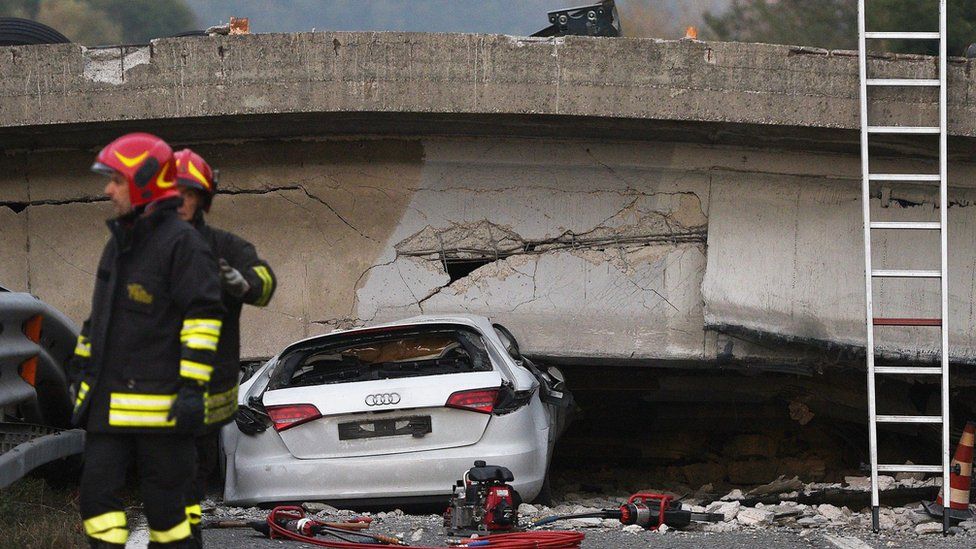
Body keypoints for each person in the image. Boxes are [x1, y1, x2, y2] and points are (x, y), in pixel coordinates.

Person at [69, 133, 224, 548]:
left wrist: (193, 390)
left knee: (169, 516)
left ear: (143, 181)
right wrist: (79, 370)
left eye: (116, 180)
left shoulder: (183, 245)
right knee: (97, 501)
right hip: (107, 409)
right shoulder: (116, 245)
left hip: (163, 414)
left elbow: (203, 320)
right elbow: (97, 319)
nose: (107, 189)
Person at [173, 148, 276, 543]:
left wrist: (240, 282)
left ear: (203, 198)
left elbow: (263, 284)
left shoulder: (226, 248)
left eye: (187, 193)